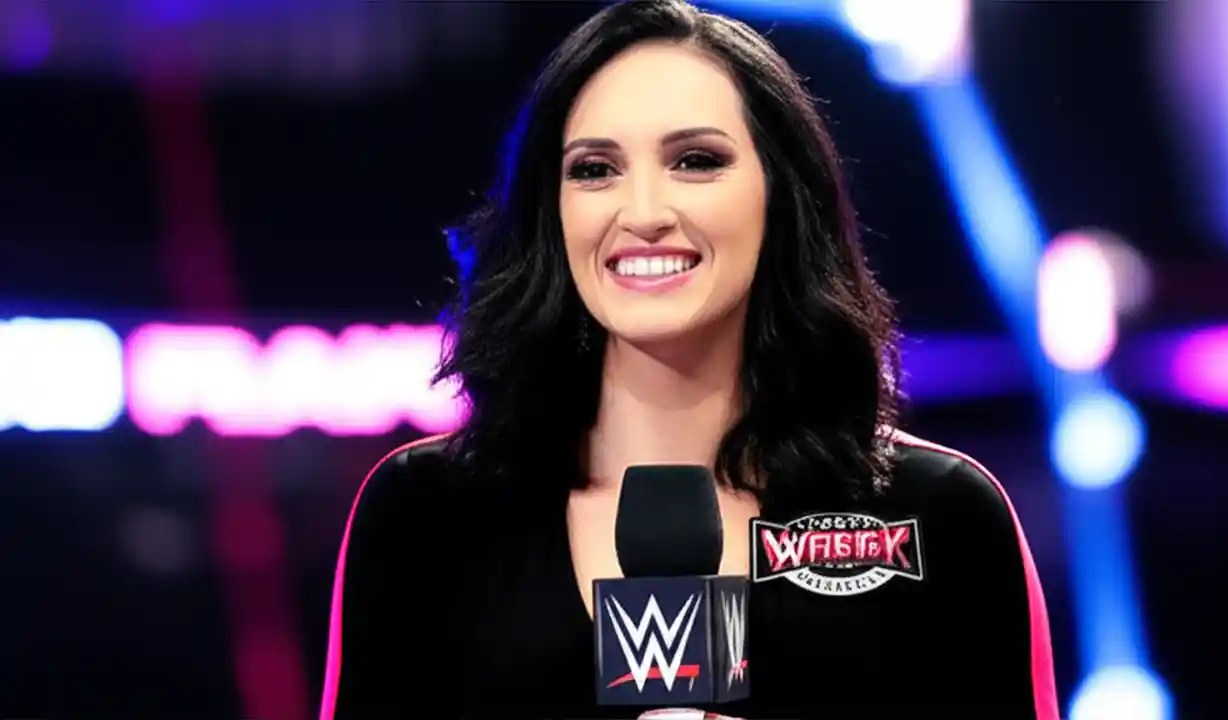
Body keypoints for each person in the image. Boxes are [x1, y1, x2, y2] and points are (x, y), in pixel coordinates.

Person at [320, 1, 1059, 718]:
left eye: (695, 161)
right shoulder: (427, 514)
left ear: (781, 197)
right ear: (552, 213)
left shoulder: (937, 512)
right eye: (594, 169)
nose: (642, 213)